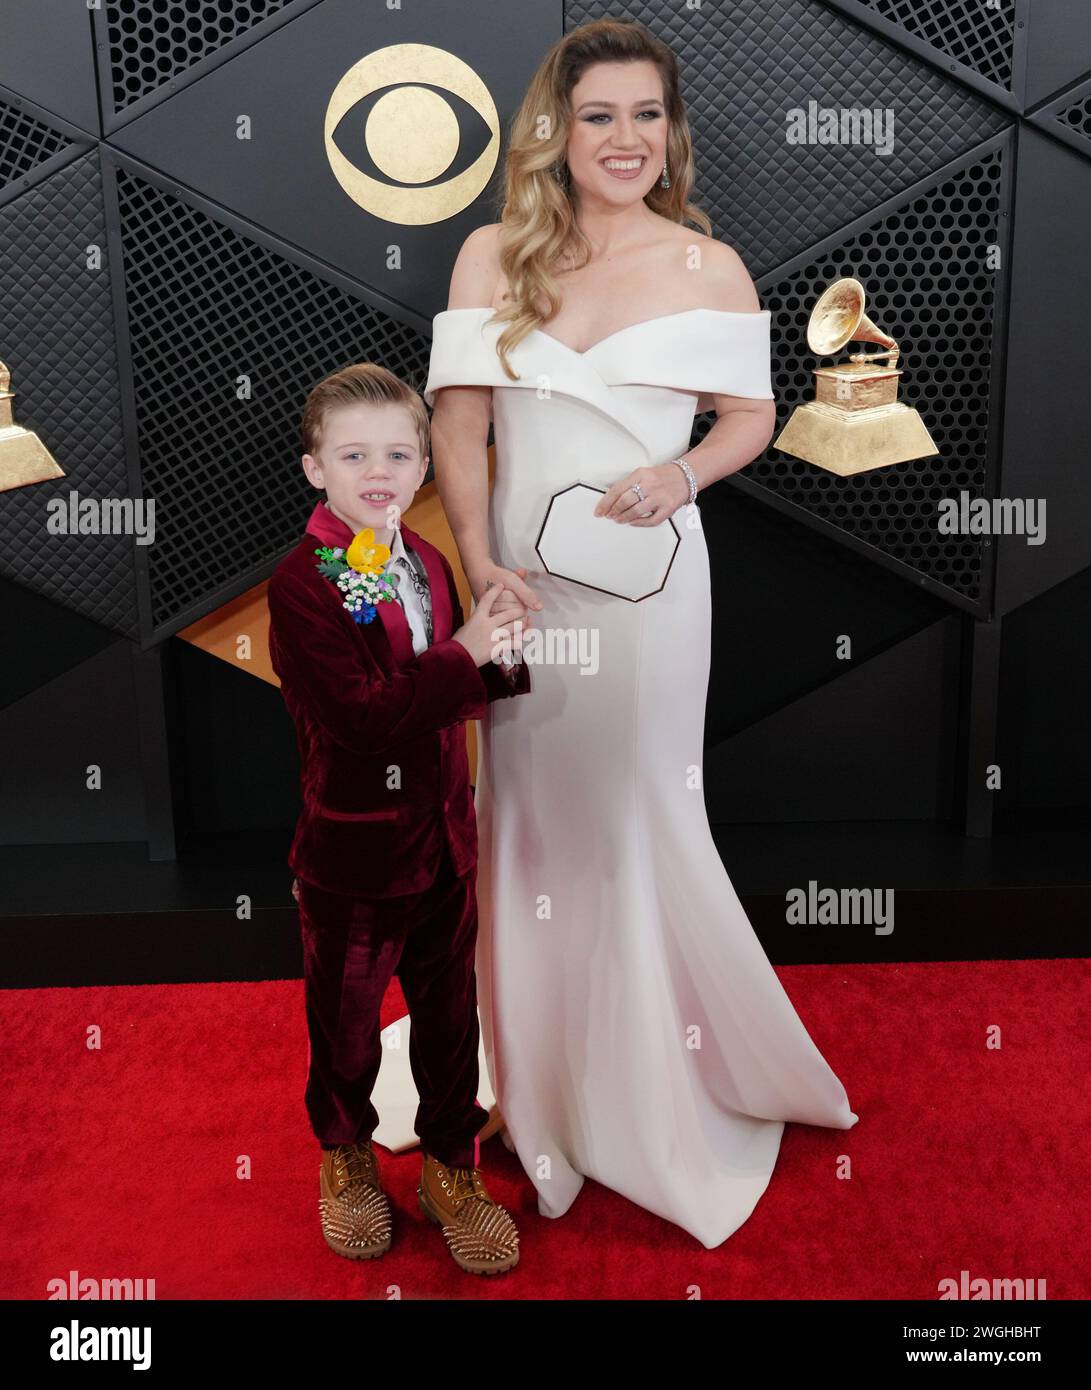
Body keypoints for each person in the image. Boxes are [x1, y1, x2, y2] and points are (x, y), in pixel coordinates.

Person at [389, 17, 860, 1249]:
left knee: (639, 806)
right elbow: (458, 429)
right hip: (524, 593)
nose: (624, 138)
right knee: (528, 817)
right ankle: (534, 1077)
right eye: (598, 115)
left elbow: (750, 415)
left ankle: (649, 1077)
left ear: (671, 130)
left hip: (651, 595)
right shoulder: (491, 254)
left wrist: (681, 474)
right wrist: (480, 568)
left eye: (645, 114)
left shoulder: (710, 267)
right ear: (556, 129)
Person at [266, 361, 532, 1273]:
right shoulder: (300, 583)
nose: (376, 471)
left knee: (450, 1019)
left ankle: (450, 1166)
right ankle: (344, 1157)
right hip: (354, 855)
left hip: (446, 840)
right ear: (315, 469)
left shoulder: (426, 559)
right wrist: (465, 652)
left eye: (396, 453)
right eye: (353, 455)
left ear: (422, 465)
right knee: (345, 1025)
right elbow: (362, 719)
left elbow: (455, 683)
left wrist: (500, 641)